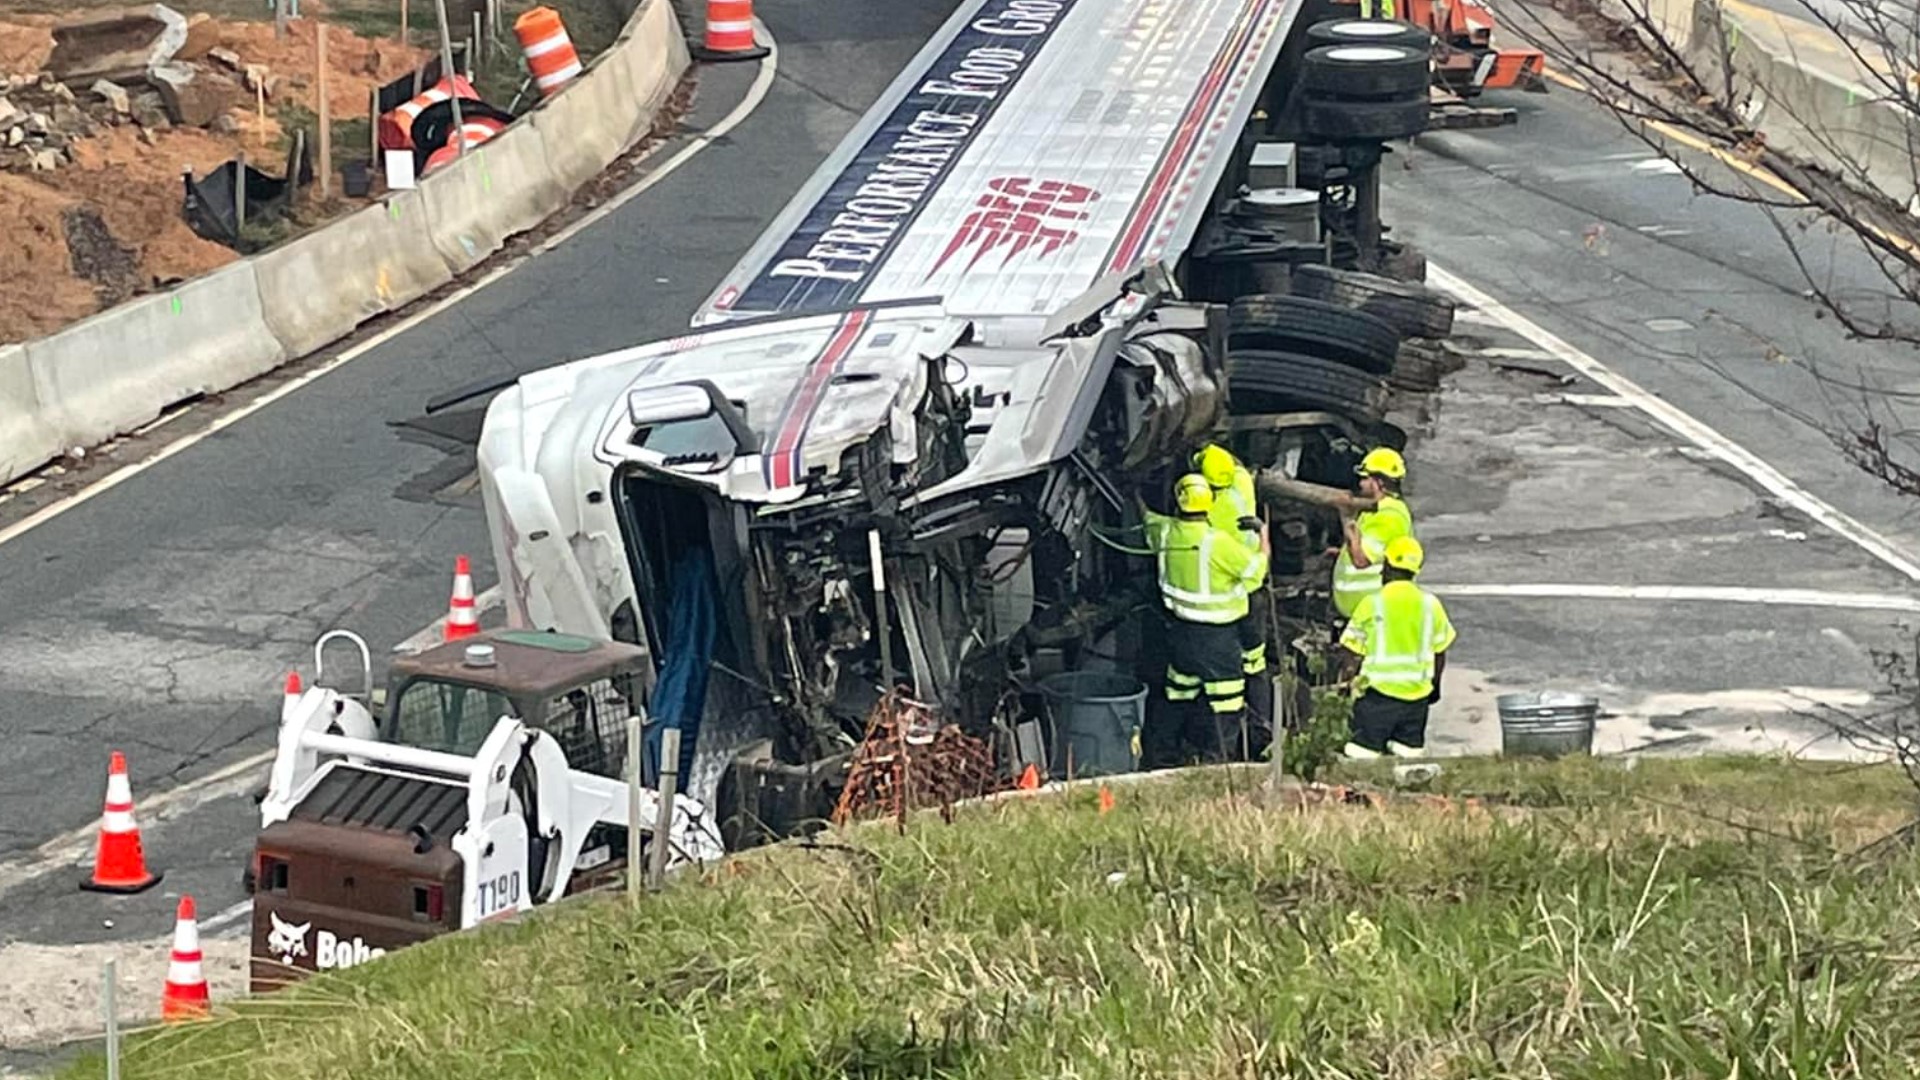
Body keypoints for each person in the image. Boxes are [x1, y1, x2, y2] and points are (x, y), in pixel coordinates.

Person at [1141, 473, 1270, 767]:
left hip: (1180, 634)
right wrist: (1262, 533)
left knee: (1177, 695)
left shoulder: (1164, 532)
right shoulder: (1218, 544)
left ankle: (1161, 758)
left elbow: (1147, 517)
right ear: (1209, 503)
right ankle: (1218, 764)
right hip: (1218, 639)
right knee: (1228, 703)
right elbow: (1258, 570)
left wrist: (1134, 494)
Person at [1339, 536, 1454, 758]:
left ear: (1388, 567)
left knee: (1361, 757)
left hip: (1376, 699)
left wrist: (1346, 684)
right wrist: (1435, 686)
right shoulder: (1431, 605)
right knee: (1408, 760)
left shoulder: (1372, 603)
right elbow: (1440, 651)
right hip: (1416, 702)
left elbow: (1352, 653)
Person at [1195, 443, 1273, 750]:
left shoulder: (1207, 505)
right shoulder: (1240, 479)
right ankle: (1261, 727)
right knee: (1255, 664)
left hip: (1229, 597)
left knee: (1224, 674)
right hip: (1252, 591)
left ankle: (1230, 739)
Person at [1331, 447, 1414, 621]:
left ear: (1379, 482)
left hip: (1371, 610)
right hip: (1364, 608)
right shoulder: (1378, 509)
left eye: (1365, 478)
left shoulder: (1388, 516)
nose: (1360, 484)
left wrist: (1346, 519)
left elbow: (1361, 560)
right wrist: (1343, 554)